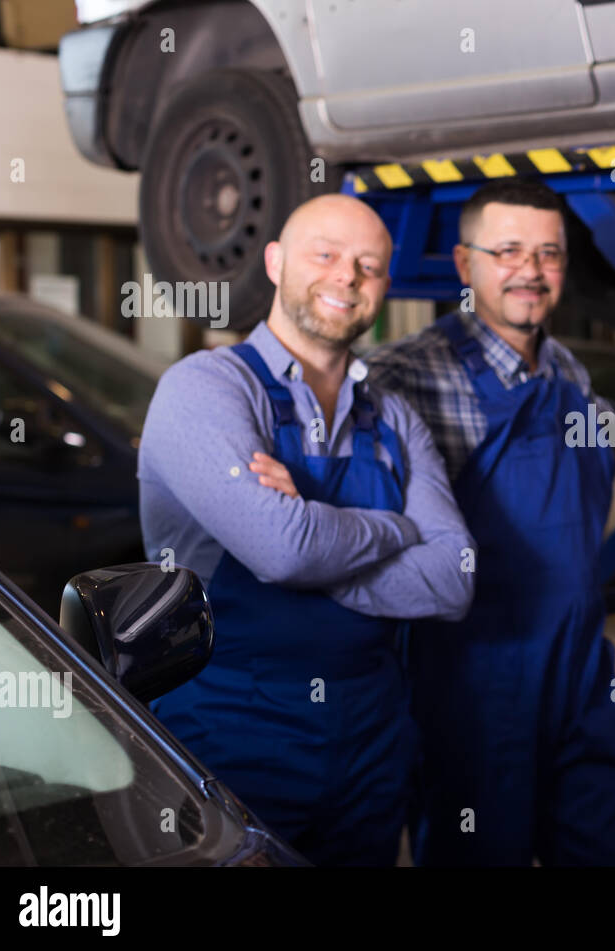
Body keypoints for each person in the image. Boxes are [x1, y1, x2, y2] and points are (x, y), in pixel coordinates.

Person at [140, 194, 474, 866]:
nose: (346, 276)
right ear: (275, 262)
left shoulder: (394, 417)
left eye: (369, 264)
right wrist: (393, 527)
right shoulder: (207, 390)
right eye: (325, 254)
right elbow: (283, 551)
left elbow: (454, 579)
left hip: (374, 739)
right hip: (231, 732)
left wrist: (315, 539)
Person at [368, 179, 615, 865]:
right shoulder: (407, 374)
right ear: (464, 264)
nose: (530, 271)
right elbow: (319, 413)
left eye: (548, 254)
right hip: (472, 690)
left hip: (578, 672)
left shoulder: (564, 371)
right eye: (507, 251)